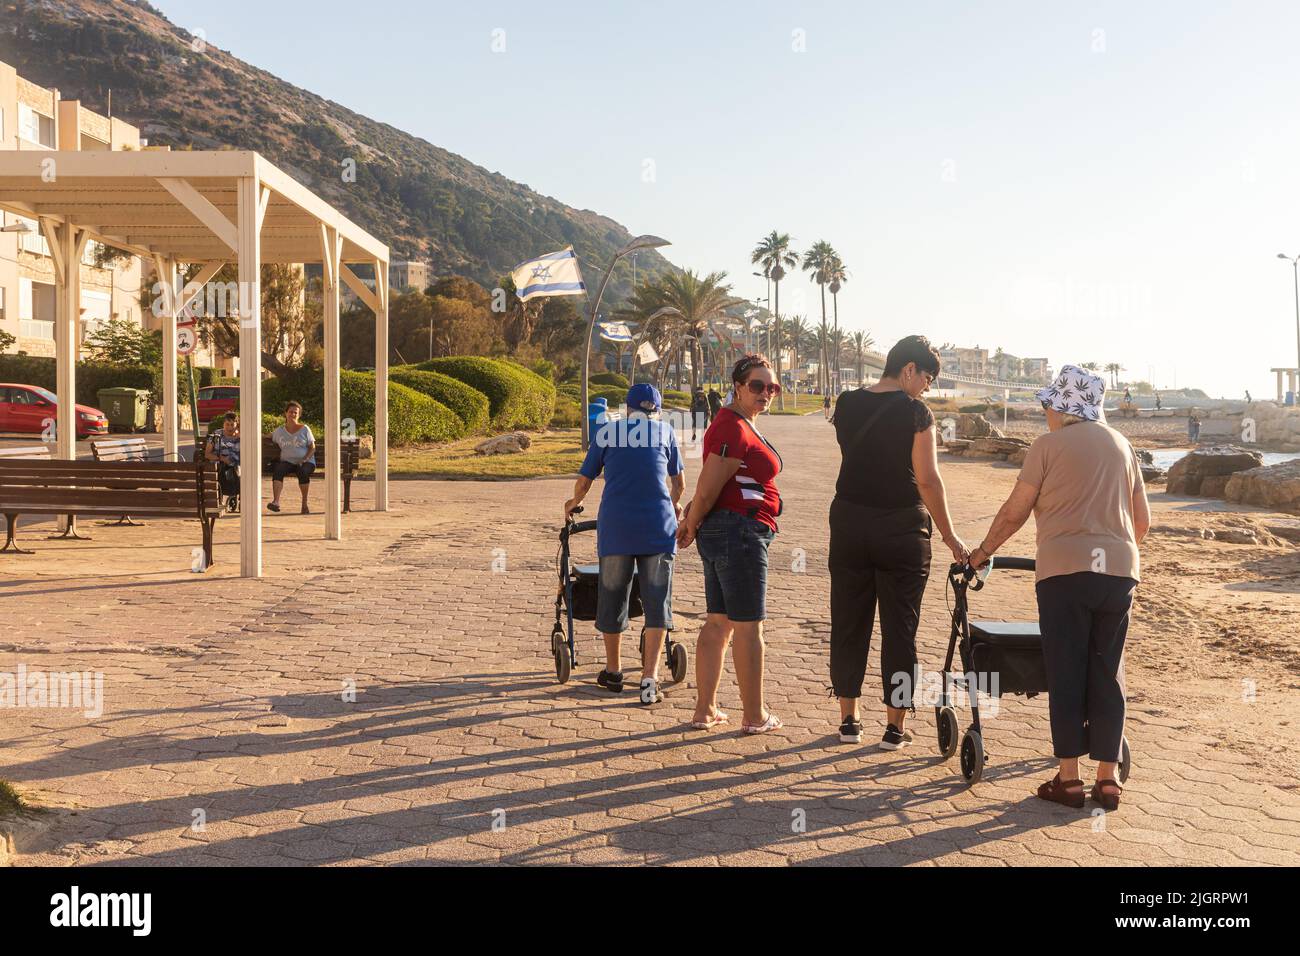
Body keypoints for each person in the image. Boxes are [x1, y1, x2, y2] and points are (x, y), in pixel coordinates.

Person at [969, 365, 1150, 811]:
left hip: (1064, 573)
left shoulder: (1046, 447)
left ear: (1064, 407)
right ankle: (1108, 780)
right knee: (1108, 670)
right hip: (1120, 573)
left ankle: (1069, 780)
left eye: (1049, 404)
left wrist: (981, 553)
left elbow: (1015, 512)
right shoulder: (1123, 446)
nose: (1045, 412)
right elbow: (1141, 523)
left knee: (1066, 669)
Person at [828, 335, 967, 749]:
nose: (928, 386)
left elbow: (859, 459)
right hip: (901, 529)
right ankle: (894, 727)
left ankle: (849, 722)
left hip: (850, 521)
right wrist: (949, 534)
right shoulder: (915, 412)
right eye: (927, 376)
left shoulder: (847, 404)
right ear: (908, 369)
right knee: (900, 628)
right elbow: (927, 479)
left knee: (848, 621)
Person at [677, 354, 784, 734]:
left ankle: (705, 711)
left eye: (771, 387)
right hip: (739, 533)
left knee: (719, 622)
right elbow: (708, 486)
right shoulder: (733, 428)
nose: (765, 393)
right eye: (757, 386)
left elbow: (712, 485)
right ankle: (754, 716)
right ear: (737, 387)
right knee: (749, 627)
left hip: (728, 530)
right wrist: (690, 522)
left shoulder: (738, 424)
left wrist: (694, 519)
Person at [564, 384, 685, 705]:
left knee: (613, 596)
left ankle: (614, 672)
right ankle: (650, 679)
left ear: (628, 408)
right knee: (658, 602)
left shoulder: (608, 431)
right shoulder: (666, 433)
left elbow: (584, 481)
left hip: (617, 528)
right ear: (656, 410)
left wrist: (573, 502)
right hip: (659, 529)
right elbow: (680, 484)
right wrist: (672, 504)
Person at [269, 401, 316, 514]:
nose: (293, 414)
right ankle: (276, 502)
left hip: (306, 462)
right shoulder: (279, 431)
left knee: (302, 471)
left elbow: (312, 447)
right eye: (290, 412)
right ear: (286, 413)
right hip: (288, 462)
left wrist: (304, 459)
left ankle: (304, 504)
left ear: (299, 415)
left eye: (295, 412)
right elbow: (269, 436)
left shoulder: (305, 429)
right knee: (278, 470)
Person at [205, 411, 241, 513]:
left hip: (236, 465)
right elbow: (207, 454)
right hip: (219, 463)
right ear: (223, 424)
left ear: (236, 424)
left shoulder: (241, 436)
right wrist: (222, 458)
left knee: (236, 470)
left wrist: (241, 436)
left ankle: (234, 494)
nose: (229, 427)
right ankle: (222, 497)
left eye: (232, 424)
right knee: (222, 469)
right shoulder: (216, 436)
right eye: (227, 424)